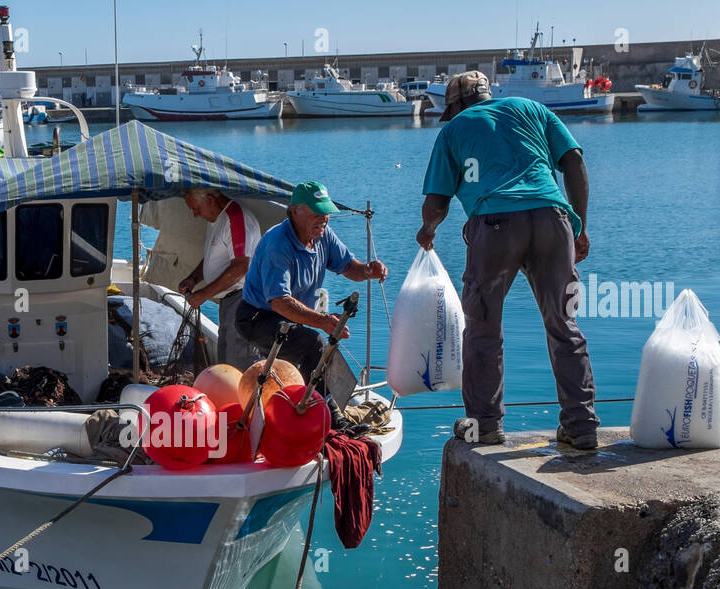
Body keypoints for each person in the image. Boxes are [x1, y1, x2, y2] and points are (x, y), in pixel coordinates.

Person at [417, 71, 599, 450]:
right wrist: (578, 225)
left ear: (458, 105)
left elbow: (437, 203)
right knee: (564, 324)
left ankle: (485, 427)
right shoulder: (533, 109)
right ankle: (581, 426)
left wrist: (428, 230)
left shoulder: (454, 130)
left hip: (495, 226)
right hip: (553, 219)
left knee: (483, 329)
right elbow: (574, 162)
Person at [238, 181, 387, 382]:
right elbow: (279, 300)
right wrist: (323, 321)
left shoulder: (323, 235)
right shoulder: (277, 244)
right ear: (294, 211)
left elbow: (349, 267)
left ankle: (306, 398)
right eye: (317, 212)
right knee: (312, 343)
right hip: (257, 317)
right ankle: (325, 408)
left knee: (309, 349)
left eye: (326, 212)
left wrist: (368, 270)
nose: (324, 218)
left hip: (287, 316)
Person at [177, 188, 262, 368]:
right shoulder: (217, 220)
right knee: (225, 362)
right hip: (228, 302)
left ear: (210, 200)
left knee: (238, 365)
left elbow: (241, 266)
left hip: (243, 301)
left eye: (196, 209)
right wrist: (194, 278)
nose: (195, 215)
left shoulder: (236, 218)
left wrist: (203, 294)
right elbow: (213, 257)